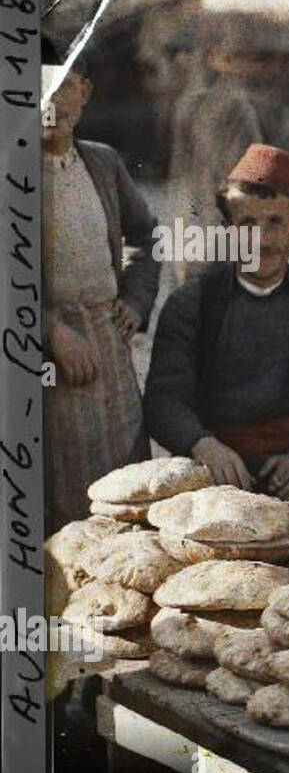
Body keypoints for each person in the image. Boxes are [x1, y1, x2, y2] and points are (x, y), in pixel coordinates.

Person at [144, 144, 289, 497]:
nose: (261, 241)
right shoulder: (191, 304)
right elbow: (163, 402)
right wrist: (204, 446)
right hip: (210, 480)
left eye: (276, 223)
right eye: (248, 224)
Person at [40, 34, 161, 530]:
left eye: (62, 85)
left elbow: (148, 236)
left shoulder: (103, 163)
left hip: (109, 344)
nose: (50, 102)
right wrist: (50, 331)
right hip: (46, 359)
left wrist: (134, 299)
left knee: (127, 489)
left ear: (84, 92)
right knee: (61, 498)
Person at [168, 23, 263, 284]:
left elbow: (256, 165)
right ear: (210, 56)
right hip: (198, 204)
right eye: (227, 56)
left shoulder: (239, 106)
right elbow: (180, 168)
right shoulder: (190, 104)